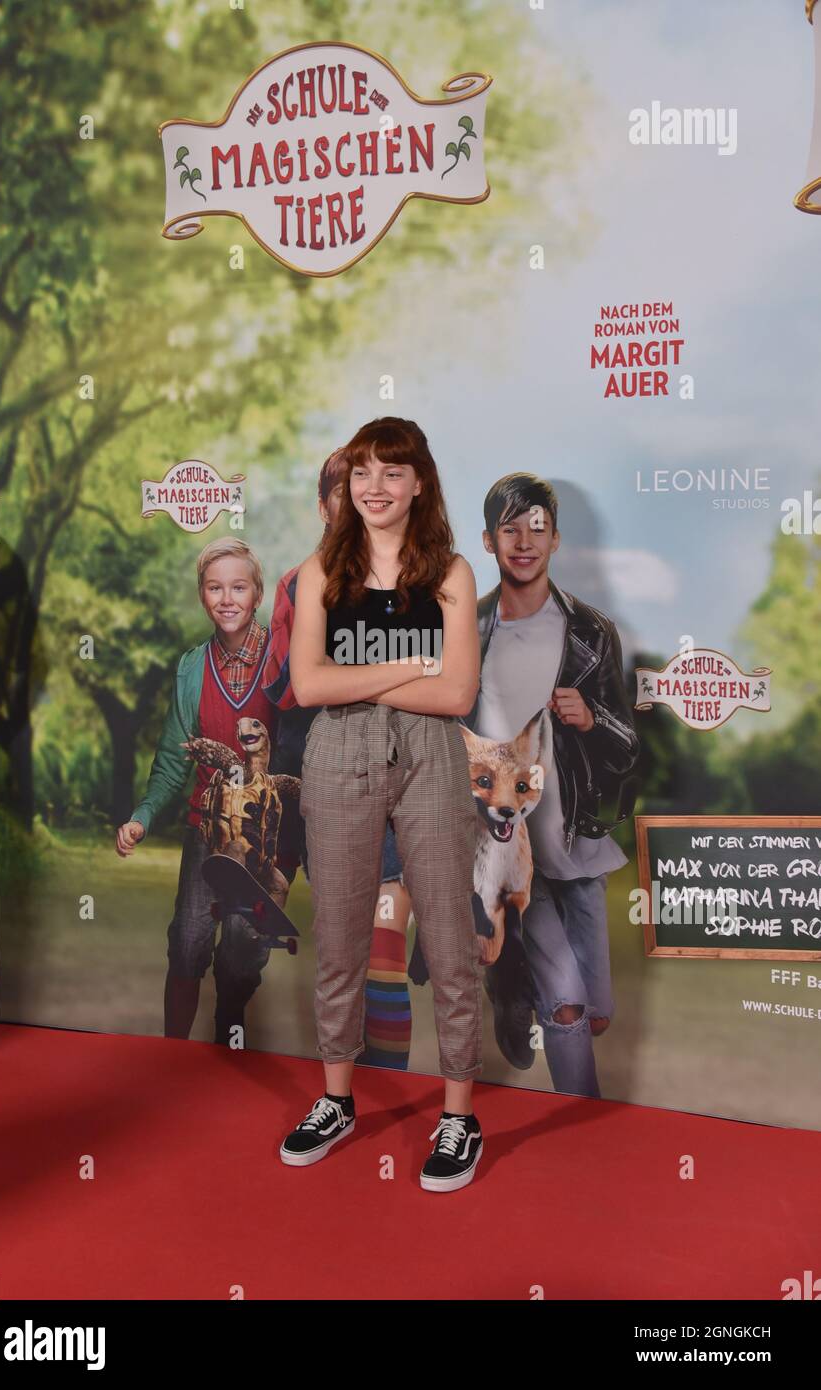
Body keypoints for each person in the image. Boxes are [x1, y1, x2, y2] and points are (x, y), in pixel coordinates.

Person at [279, 417, 485, 1192]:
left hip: (431, 758)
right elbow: (308, 687)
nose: (374, 487)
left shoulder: (451, 573)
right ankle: (336, 1100)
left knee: (452, 944)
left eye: (391, 473)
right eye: (362, 472)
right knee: (339, 940)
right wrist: (408, 662)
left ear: (418, 483)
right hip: (337, 757)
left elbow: (457, 693)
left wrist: (363, 672)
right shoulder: (318, 573)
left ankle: (459, 1115)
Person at [464, 473, 639, 1098]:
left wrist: (592, 720)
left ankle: (511, 986)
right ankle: (582, 1129)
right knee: (565, 1004)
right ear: (488, 541)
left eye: (536, 527)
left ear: (556, 538)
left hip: (577, 841)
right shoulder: (468, 630)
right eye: (508, 528)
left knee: (594, 1012)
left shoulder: (591, 633)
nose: (523, 540)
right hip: (509, 849)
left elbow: (627, 748)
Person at [261, 448, 415, 1070]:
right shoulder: (298, 584)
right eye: (343, 488)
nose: (357, 499)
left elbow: (436, 687)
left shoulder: (417, 576)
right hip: (320, 783)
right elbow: (286, 691)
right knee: (341, 958)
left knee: (385, 959)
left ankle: (392, 1090)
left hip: (397, 781)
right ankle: (344, 1095)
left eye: (373, 485)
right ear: (323, 503)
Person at [115, 537, 283, 1046]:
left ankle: (228, 1026)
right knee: (187, 941)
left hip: (264, 840)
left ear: (257, 594)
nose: (227, 598)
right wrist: (142, 816)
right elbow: (172, 760)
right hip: (205, 830)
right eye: (215, 588)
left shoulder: (284, 660)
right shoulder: (192, 668)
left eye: (238, 587)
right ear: (202, 596)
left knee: (241, 942)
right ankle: (174, 1052)